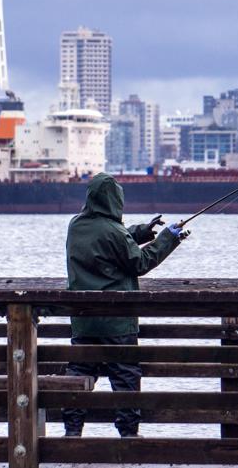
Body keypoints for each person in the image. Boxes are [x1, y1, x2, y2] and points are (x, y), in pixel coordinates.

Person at [62, 172, 188, 438]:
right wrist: (168, 239)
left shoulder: (76, 225)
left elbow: (109, 241)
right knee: (125, 376)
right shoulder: (114, 231)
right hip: (117, 323)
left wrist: (142, 232)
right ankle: (128, 434)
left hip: (84, 322)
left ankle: (72, 432)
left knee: (79, 374)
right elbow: (139, 262)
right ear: (115, 200)